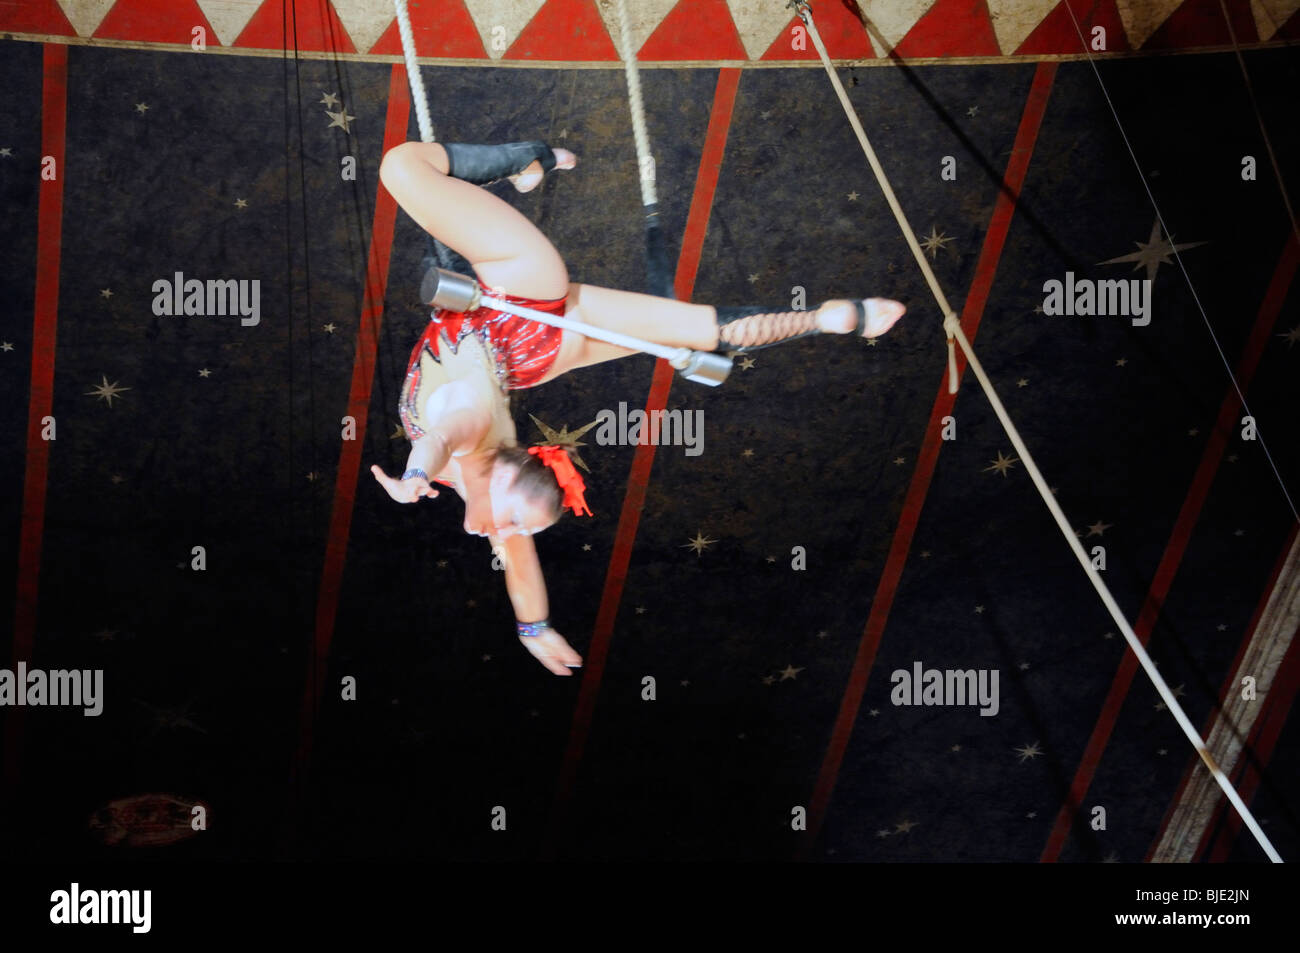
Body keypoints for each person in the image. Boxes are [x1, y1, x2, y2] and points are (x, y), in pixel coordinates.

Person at [370, 140, 906, 675]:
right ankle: (529, 158)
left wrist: (534, 629)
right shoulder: (468, 442)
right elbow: (435, 441)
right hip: (519, 292)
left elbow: (507, 550)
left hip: (540, 348)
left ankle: (835, 318)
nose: (509, 536)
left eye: (515, 528)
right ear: (502, 481)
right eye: (518, 526)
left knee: (693, 331)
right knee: (401, 166)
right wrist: (415, 474)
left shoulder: (472, 474)